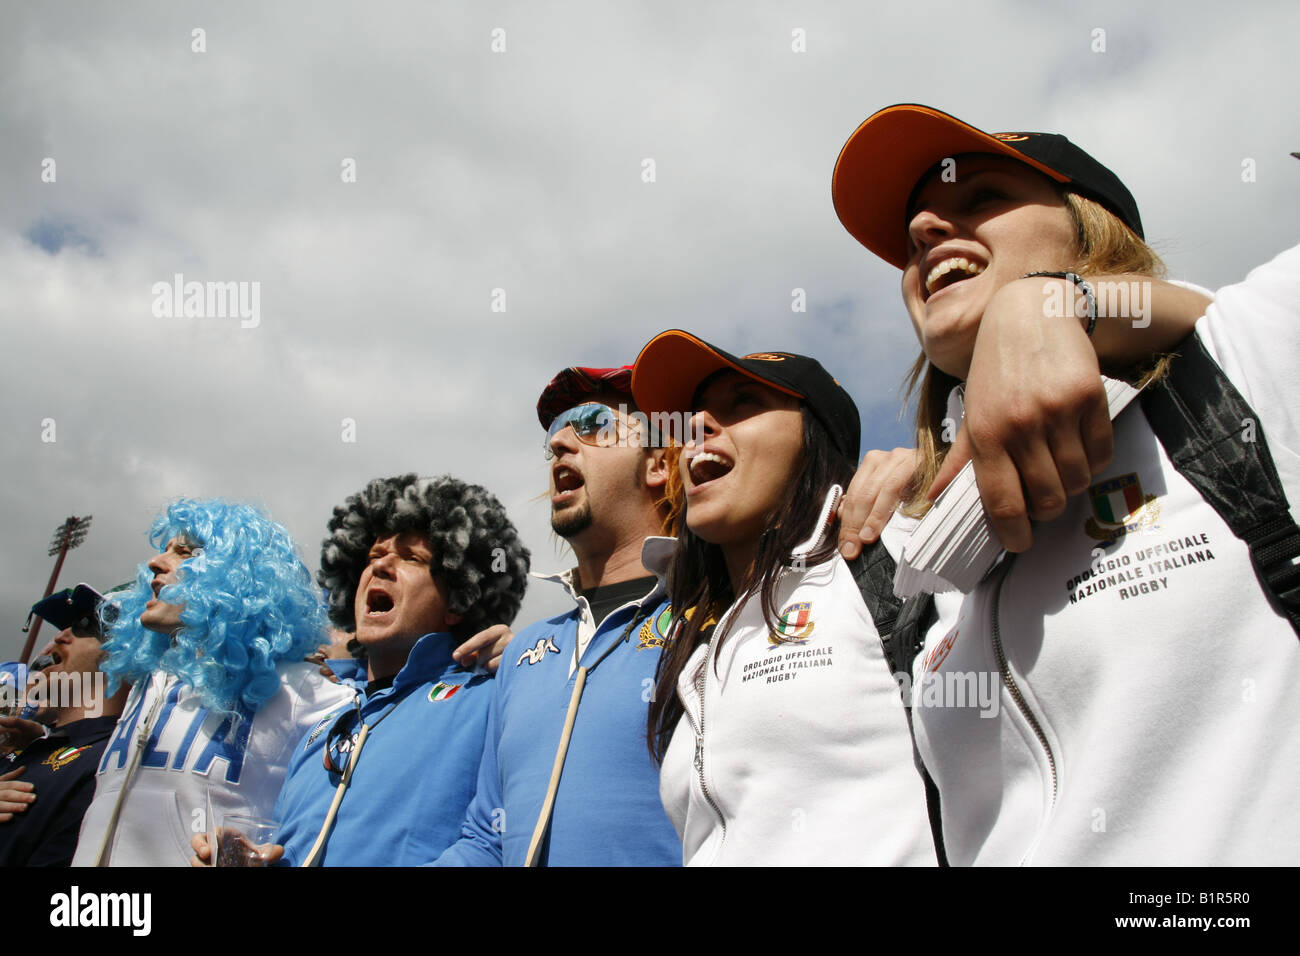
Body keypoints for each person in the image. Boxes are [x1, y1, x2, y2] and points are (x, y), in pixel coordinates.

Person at [832, 103, 1300, 864]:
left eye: (980, 197)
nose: (923, 230)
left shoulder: (1247, 364)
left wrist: (1065, 301)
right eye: (918, 227)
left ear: (1092, 226)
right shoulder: (914, 544)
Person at [633, 332, 937, 865]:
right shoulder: (697, 646)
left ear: (817, 440)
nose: (697, 427)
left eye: (743, 403)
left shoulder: (893, 553)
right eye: (693, 415)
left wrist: (941, 471)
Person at [208, 474, 531, 867]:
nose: (381, 567)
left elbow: (500, 845)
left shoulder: (492, 699)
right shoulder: (323, 728)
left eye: (411, 558)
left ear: (459, 600)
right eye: (374, 556)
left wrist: (532, 669)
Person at [436, 366, 682, 866]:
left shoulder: (713, 620)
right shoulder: (527, 651)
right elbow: (485, 837)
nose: (563, 444)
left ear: (657, 464)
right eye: (554, 438)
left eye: (593, 423)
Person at [71, 499, 353, 866]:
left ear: (237, 577)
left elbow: (347, 810)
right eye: (164, 551)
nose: (155, 563)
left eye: (184, 553)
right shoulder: (148, 685)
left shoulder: (302, 688)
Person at [0, 585, 130, 866]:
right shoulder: (35, 749)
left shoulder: (110, 764)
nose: (60, 635)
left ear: (127, 656)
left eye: (85, 625)